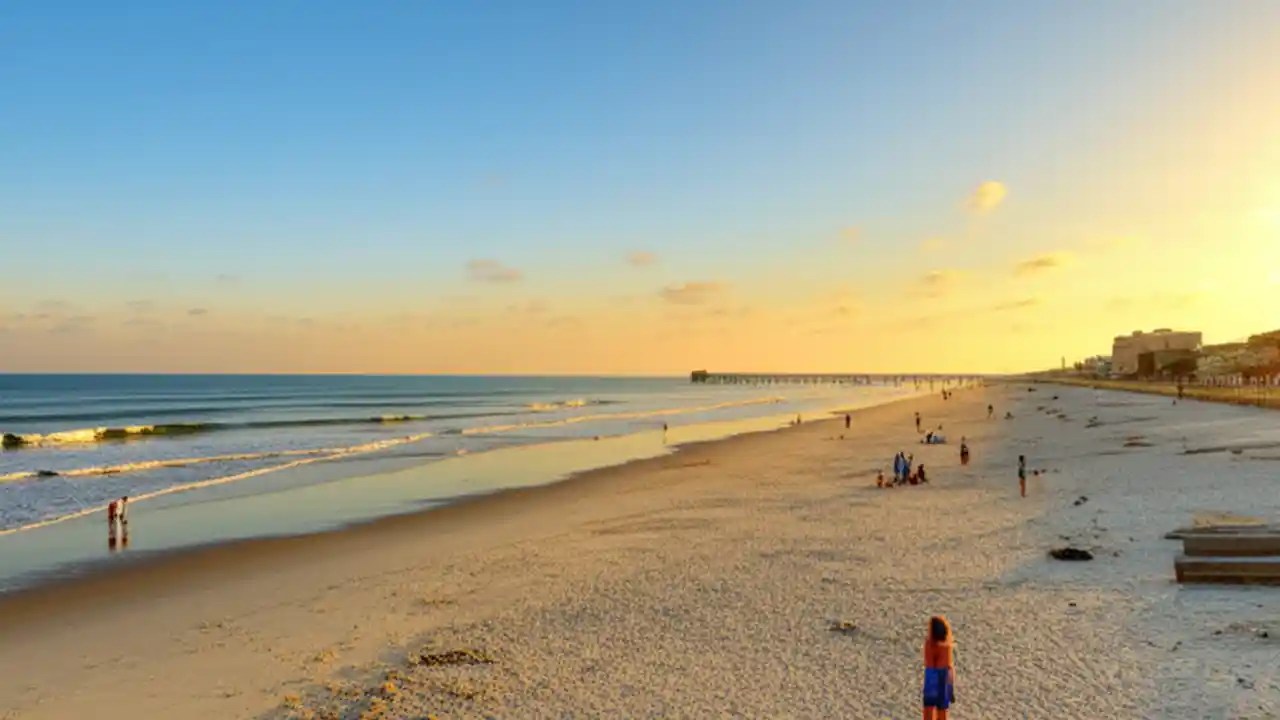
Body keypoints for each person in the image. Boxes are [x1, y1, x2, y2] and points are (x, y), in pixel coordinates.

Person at [922, 616, 956, 719]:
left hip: (931, 675)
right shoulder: (947, 647)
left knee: (928, 709)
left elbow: (929, 663)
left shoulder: (929, 644)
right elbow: (949, 669)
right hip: (944, 675)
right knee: (942, 711)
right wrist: (951, 690)